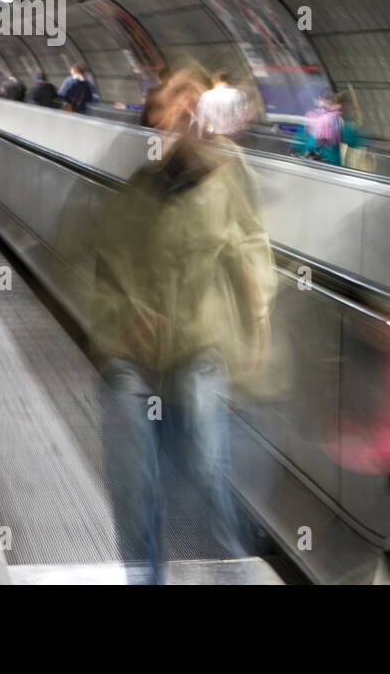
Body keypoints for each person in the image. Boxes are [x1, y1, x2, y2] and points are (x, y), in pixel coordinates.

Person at [90, 67, 275, 584]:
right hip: (129, 357)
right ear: (154, 114)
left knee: (205, 474)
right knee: (133, 489)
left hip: (198, 346)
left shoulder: (228, 171)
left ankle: (236, 575)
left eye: (191, 102)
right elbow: (99, 257)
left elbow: (255, 247)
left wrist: (258, 316)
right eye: (170, 104)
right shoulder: (133, 175)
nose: (182, 113)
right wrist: (117, 324)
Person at [290, 90, 359, 165]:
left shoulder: (310, 117)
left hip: (308, 163)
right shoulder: (340, 123)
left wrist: (295, 151)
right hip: (330, 166)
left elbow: (297, 141)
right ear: (338, 104)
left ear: (320, 99)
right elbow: (353, 142)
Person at [195, 69, 248, 142]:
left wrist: (200, 138)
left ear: (214, 81)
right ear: (229, 81)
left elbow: (201, 119)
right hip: (233, 139)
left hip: (213, 137)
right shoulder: (240, 95)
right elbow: (242, 119)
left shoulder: (206, 96)